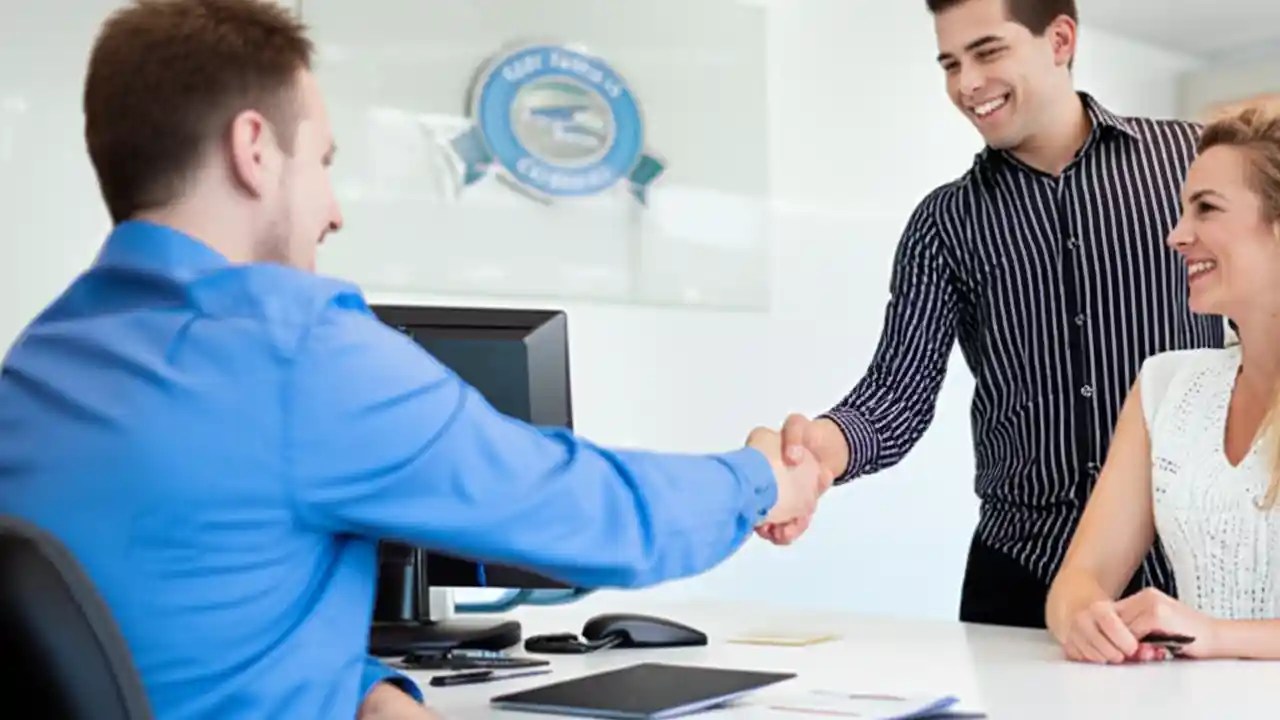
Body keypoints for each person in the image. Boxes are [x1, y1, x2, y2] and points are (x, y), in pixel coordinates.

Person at [0, 1, 827, 718]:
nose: (333, 210)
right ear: (254, 149)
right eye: (321, 161)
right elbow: (595, 514)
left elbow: (164, 639)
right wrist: (763, 478)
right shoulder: (291, 350)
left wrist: (370, 689)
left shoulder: (42, 361)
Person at [760, 0, 1225, 629]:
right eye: (950, 63)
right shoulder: (944, 223)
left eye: (987, 51)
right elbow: (896, 396)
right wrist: (820, 453)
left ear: (1060, 40)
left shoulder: (1189, 164)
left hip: (1192, 571)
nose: (965, 84)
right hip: (1020, 575)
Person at [1045, 101, 1280, 664]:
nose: (1177, 236)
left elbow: (1207, 634)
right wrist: (1086, 618)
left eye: (1206, 209)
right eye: (1181, 210)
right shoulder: (1166, 386)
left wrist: (1218, 636)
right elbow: (1079, 580)